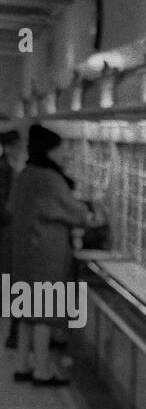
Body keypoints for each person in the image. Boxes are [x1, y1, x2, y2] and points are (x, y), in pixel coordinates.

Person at [10, 124, 93, 386]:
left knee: (24, 313)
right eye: (61, 149)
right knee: (45, 313)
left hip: (23, 251)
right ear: (50, 149)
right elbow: (75, 213)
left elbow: (12, 207)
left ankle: (23, 365)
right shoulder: (49, 178)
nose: (64, 155)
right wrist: (92, 213)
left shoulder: (25, 174)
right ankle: (42, 371)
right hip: (46, 253)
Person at [0, 127, 22, 349]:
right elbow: (5, 207)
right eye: (16, 146)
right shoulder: (4, 171)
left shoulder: (9, 169)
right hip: (7, 234)